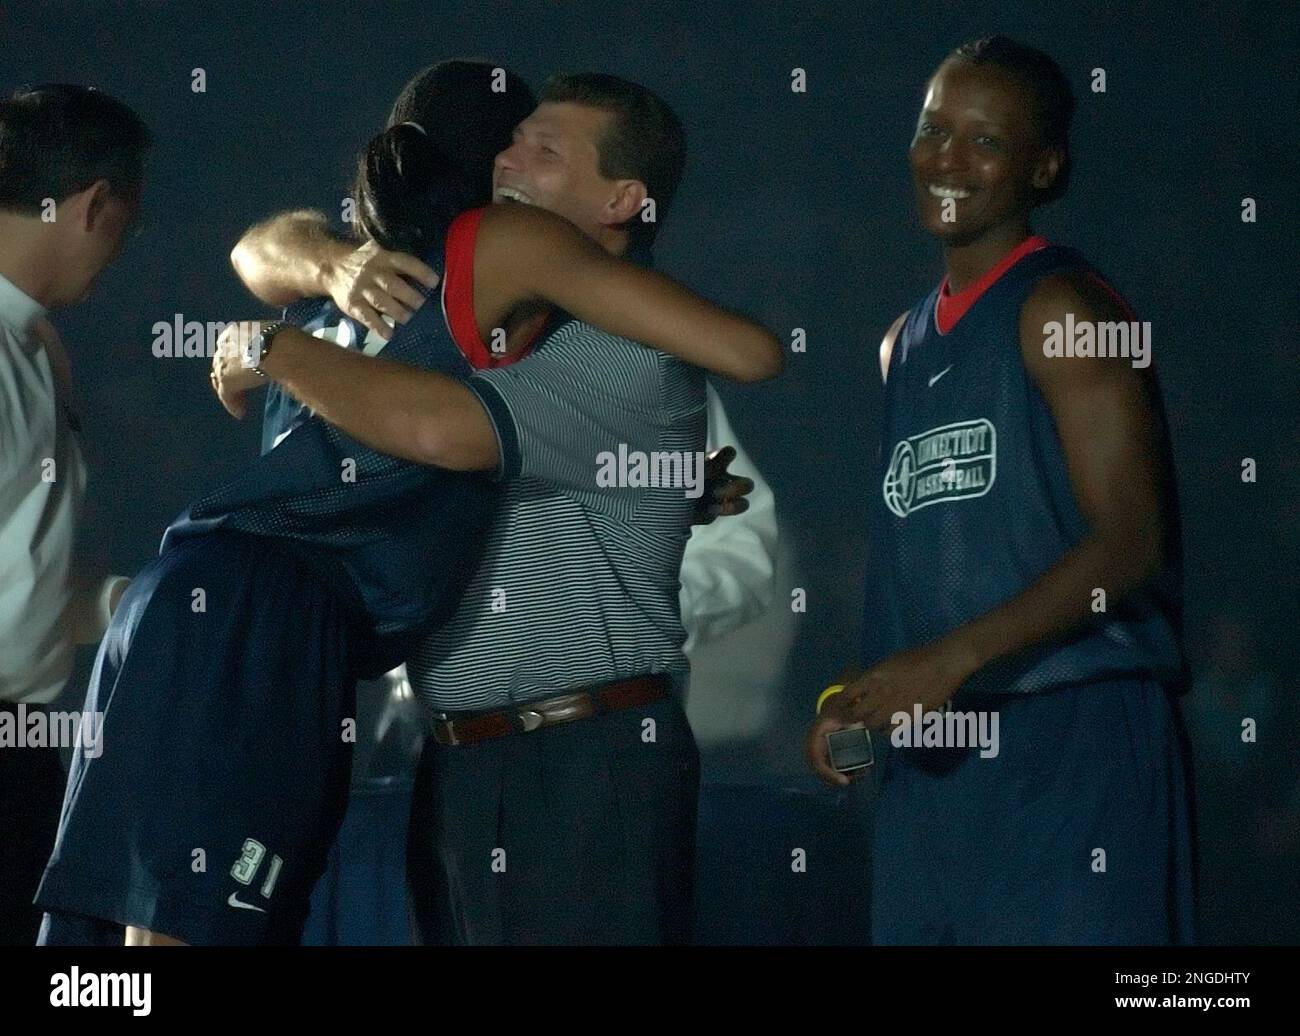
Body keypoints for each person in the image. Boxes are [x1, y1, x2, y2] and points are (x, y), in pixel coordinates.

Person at [36, 60, 779, 947]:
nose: (511, 165)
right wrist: (313, 289)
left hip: (579, 752)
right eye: (506, 148)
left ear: (621, 200)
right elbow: (270, 255)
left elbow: (441, 432)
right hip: (424, 731)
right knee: (163, 935)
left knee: (154, 934)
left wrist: (270, 342)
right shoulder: (406, 301)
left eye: (540, 151)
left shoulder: (599, 345)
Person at [805, 36, 1194, 945]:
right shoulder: (900, 342)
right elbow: (937, 561)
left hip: (1072, 734)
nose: (947, 158)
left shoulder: (1065, 309)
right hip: (933, 766)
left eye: (984, 141)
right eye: (933, 129)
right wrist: (858, 697)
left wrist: (952, 661)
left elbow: (1133, 543)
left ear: (1044, 166)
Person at [0, 84, 142, 945]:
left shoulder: (33, 345)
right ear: (94, 205)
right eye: (127, 223)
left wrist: (132, 603)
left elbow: (17, 563)